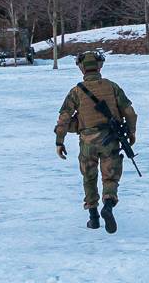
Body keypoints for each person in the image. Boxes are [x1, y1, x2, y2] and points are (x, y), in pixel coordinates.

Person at [54, 50, 137, 234]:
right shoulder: (112, 87)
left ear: (82, 68)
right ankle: (108, 205)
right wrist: (131, 132)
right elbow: (130, 113)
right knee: (110, 176)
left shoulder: (76, 91)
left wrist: (59, 141)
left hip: (87, 142)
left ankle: (93, 217)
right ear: (99, 67)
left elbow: (64, 119)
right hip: (111, 139)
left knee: (89, 177)